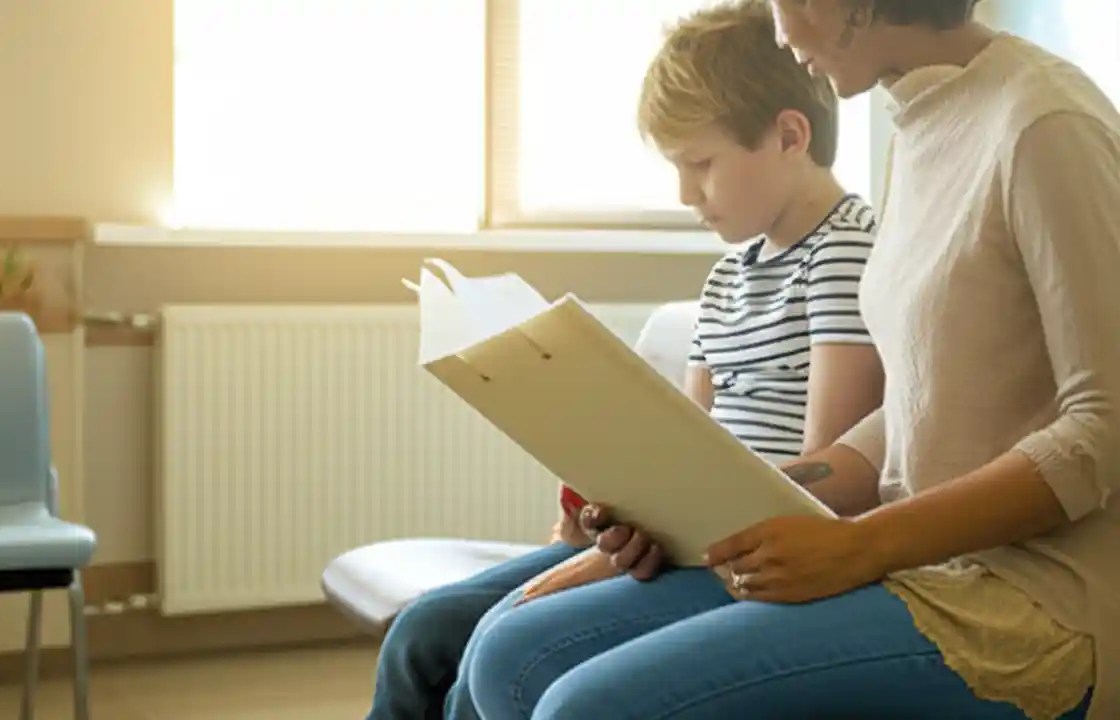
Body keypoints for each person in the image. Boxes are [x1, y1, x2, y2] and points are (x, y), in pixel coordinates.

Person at [455, 0, 1120, 718]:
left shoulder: (1048, 126)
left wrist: (862, 547)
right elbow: (914, 412)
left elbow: (1103, 431)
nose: (777, 30)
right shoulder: (920, 125)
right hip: (910, 561)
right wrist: (710, 509)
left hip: (1029, 601)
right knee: (510, 658)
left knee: (583, 708)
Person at [365, 2, 887, 717]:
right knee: (422, 634)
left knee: (492, 651)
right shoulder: (726, 278)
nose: (684, 195)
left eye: (700, 164)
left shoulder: (846, 251)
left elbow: (825, 481)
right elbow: (690, 441)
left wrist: (615, 553)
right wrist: (613, 513)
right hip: (677, 542)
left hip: (746, 555)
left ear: (789, 136)